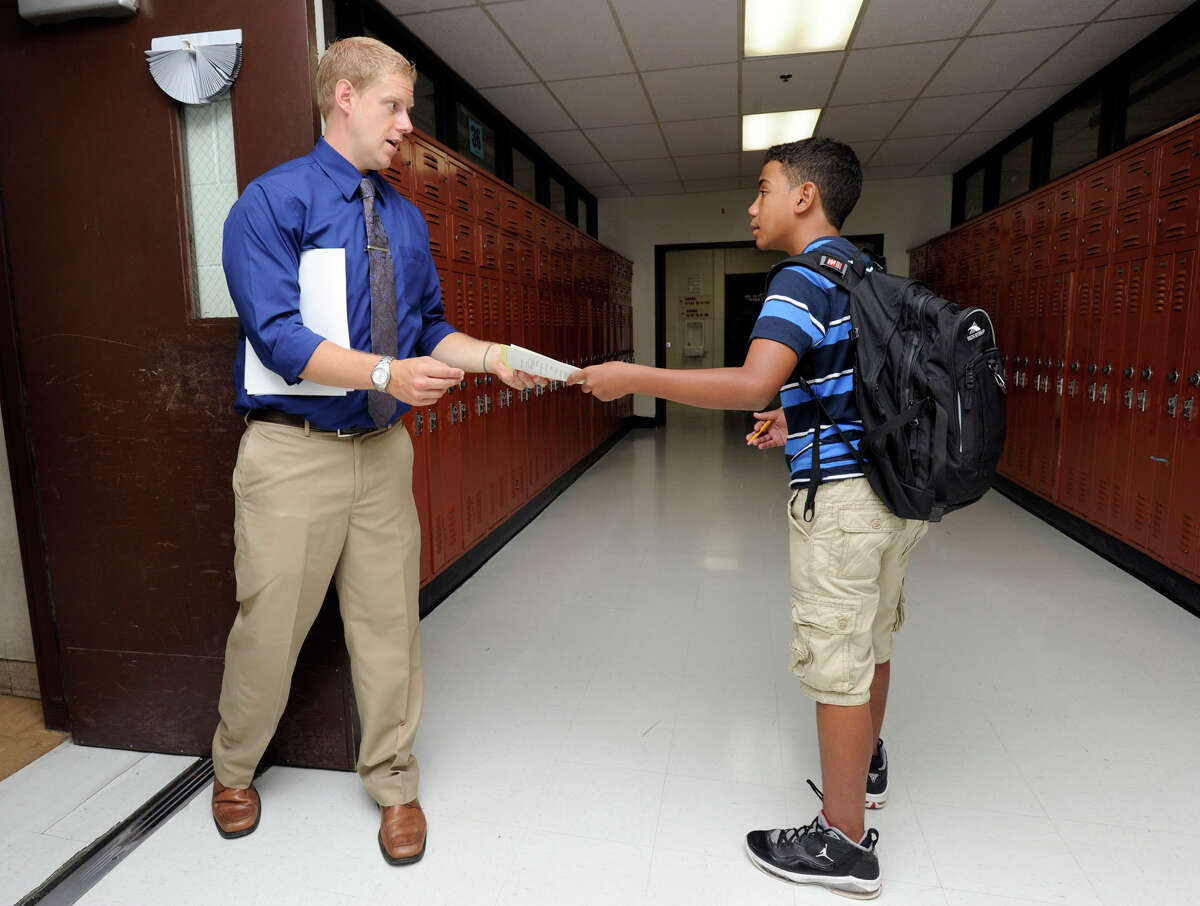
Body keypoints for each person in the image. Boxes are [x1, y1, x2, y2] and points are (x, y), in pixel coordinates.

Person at [570, 137, 927, 899]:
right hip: (896, 495)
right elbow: (860, 392)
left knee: (837, 665)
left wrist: (633, 374)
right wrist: (795, 423)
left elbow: (749, 380)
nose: (752, 205)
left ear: (805, 197)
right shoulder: (862, 272)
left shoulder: (800, 276)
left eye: (764, 188)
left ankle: (843, 841)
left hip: (845, 505)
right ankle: (864, 769)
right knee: (873, 638)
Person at [210, 36, 539, 865]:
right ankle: (234, 767)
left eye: (410, 109)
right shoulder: (270, 204)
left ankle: (394, 782)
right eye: (394, 106)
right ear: (344, 98)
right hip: (293, 455)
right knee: (269, 625)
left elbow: (428, 326)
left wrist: (491, 356)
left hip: (381, 451)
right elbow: (280, 337)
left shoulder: (404, 214)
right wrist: (388, 370)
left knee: (389, 624)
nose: (406, 126)